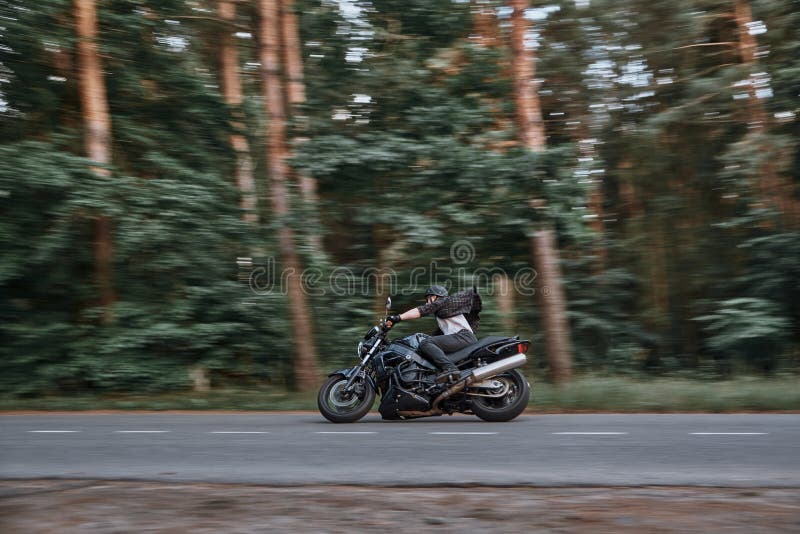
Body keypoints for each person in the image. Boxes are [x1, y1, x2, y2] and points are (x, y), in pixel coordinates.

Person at [386, 285, 479, 383]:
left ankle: (451, 369)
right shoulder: (444, 313)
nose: (427, 303)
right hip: (460, 338)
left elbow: (421, 310)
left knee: (426, 343)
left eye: (428, 299)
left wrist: (397, 318)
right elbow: (436, 337)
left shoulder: (444, 302)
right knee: (426, 346)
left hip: (464, 337)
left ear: (435, 297)